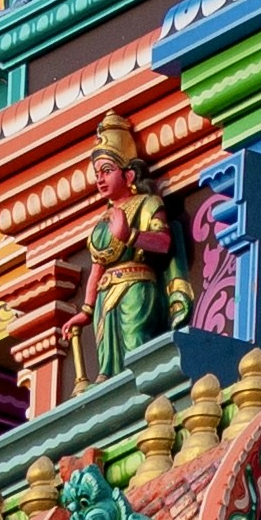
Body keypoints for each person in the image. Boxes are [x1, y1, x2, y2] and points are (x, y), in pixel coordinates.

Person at [79, 118, 183, 368]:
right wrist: (86, 310)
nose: (100, 180)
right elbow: (97, 267)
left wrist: (130, 236)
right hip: (105, 295)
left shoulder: (148, 204)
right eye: (97, 174)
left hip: (137, 287)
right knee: (108, 363)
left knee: (135, 345)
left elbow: (163, 242)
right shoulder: (103, 221)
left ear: (128, 175)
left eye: (107, 171)